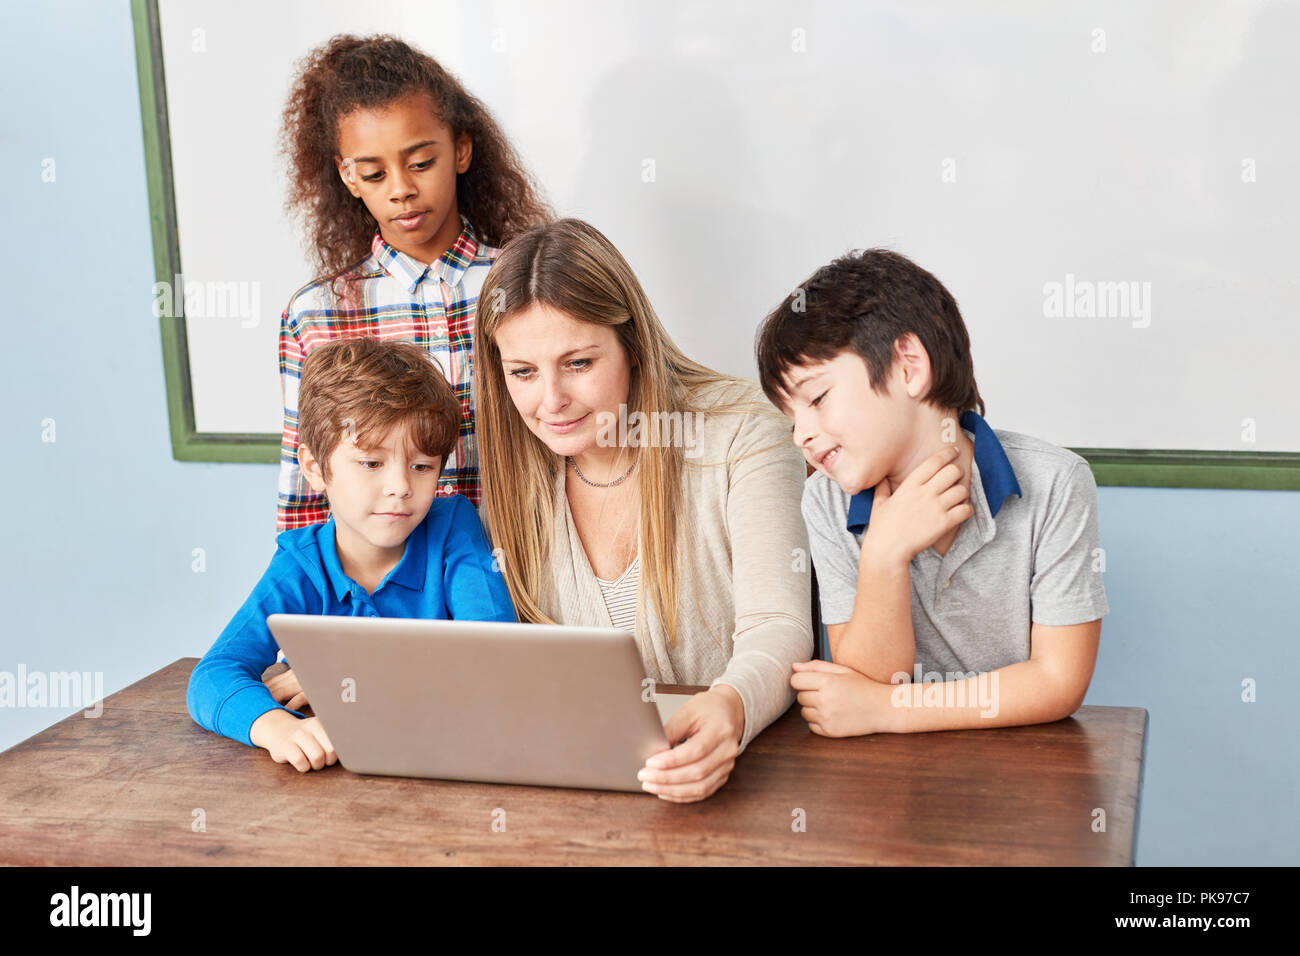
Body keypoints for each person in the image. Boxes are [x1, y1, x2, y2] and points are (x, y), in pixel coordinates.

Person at [473, 218, 813, 803]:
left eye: (578, 363)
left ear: (632, 345)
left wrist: (729, 707)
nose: (550, 401)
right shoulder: (515, 466)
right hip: (583, 794)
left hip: (745, 782)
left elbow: (778, 626)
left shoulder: (744, 434)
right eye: (522, 372)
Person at [755, 248, 1109, 737]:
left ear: (909, 367)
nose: (801, 436)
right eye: (791, 418)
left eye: (816, 399)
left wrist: (888, 710)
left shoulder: (1056, 483)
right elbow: (868, 680)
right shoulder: (826, 500)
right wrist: (884, 556)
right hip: (894, 776)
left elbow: (1057, 681)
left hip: (1022, 772)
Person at [188, 339, 516, 771]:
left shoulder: (453, 526)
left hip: (453, 766)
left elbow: (496, 654)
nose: (400, 486)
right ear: (315, 468)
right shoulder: (300, 562)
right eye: (370, 463)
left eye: (422, 466)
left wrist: (352, 677)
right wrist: (279, 728)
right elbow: (213, 675)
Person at [276, 33, 551, 530]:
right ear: (347, 177)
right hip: (389, 592)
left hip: (528, 568)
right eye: (375, 174)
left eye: (421, 163)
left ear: (461, 150)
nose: (402, 189)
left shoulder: (528, 280)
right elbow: (305, 496)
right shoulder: (315, 313)